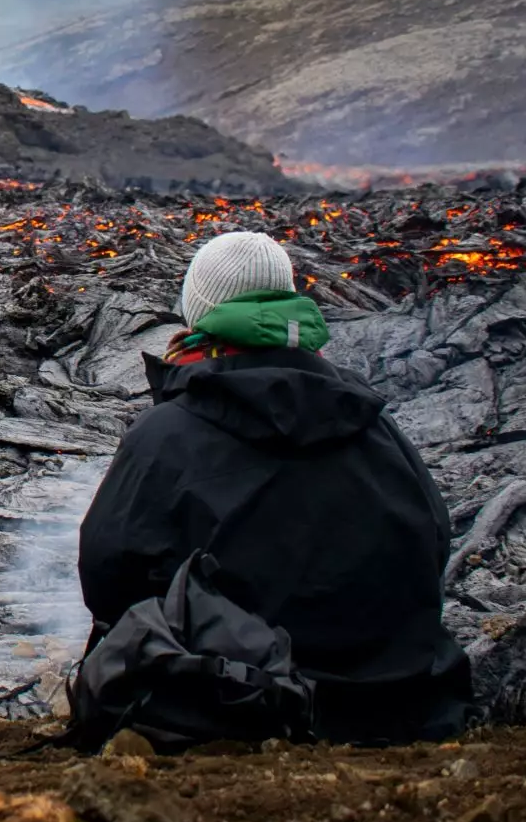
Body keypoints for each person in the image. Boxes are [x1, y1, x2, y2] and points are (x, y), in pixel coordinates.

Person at [78, 230, 475, 744]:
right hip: (401, 703)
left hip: (243, 705)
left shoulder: (166, 435)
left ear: (197, 311)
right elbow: (433, 541)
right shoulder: (372, 420)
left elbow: (108, 577)